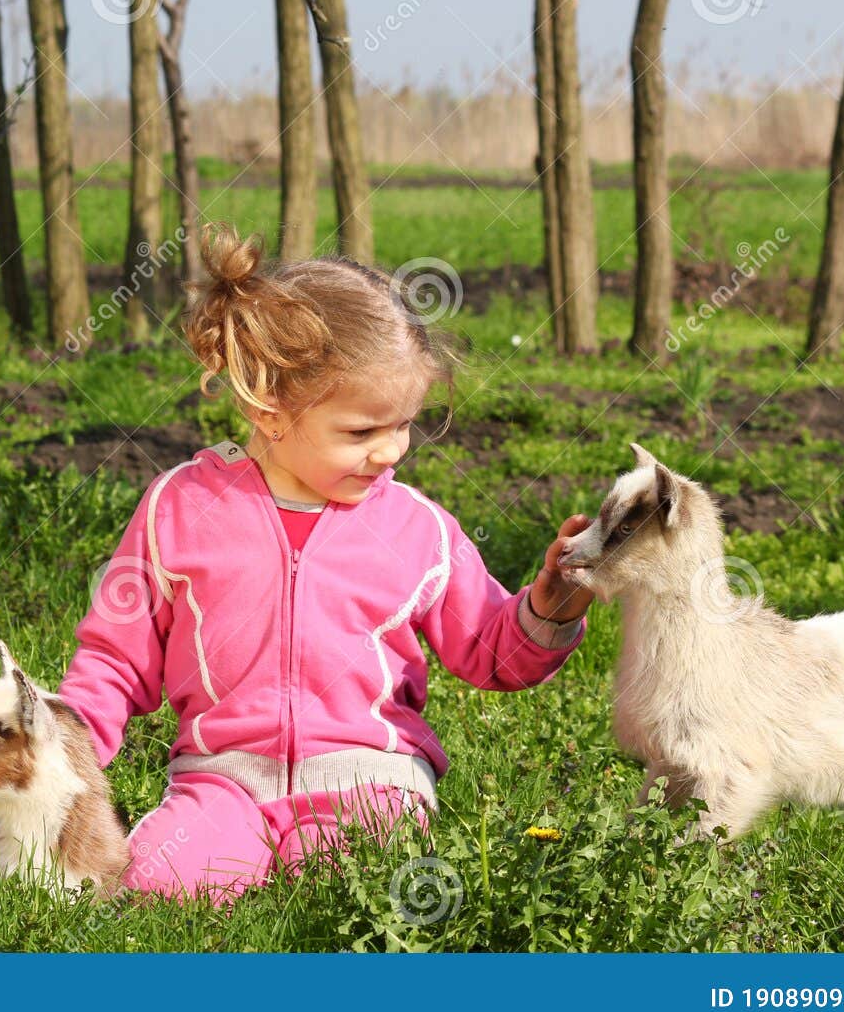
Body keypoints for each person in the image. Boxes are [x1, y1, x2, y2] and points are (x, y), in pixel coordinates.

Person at [58, 225, 593, 901]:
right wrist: (62, 752)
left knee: (355, 894)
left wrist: (550, 606)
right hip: (222, 780)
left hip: (372, 781)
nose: (392, 450)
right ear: (270, 409)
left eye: (404, 424)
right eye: (362, 431)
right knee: (153, 882)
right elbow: (115, 658)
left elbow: (489, 648)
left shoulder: (417, 528)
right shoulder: (182, 508)